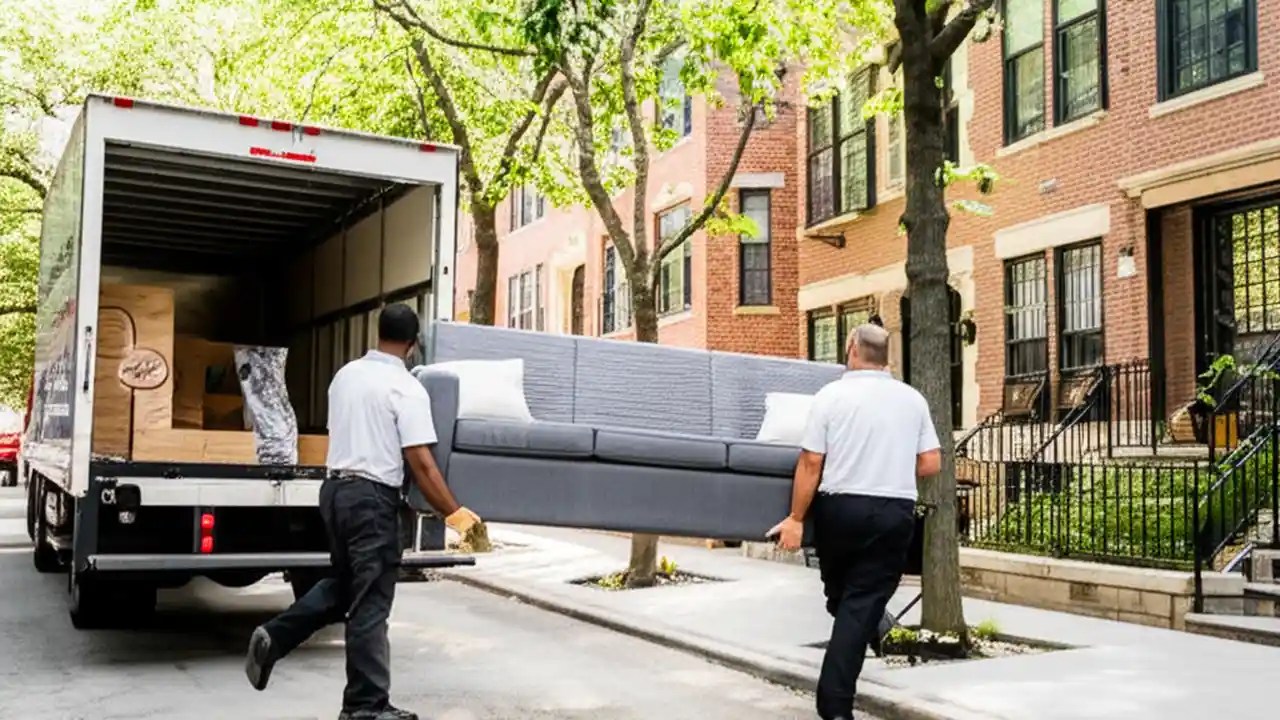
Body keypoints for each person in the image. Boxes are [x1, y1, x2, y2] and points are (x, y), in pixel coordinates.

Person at [244, 303, 484, 720]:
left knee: (346, 587)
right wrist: (458, 516)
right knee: (370, 603)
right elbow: (422, 463)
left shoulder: (345, 376)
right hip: (372, 501)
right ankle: (365, 707)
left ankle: (274, 637)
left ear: (378, 333)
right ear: (413, 344)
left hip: (335, 492)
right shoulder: (407, 388)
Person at [768, 323, 941, 720]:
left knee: (848, 599)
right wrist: (892, 462)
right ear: (887, 357)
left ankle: (835, 706)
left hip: (840, 509)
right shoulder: (912, 399)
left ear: (851, 349)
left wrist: (795, 519)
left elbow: (811, 461)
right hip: (893, 511)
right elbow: (931, 462)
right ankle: (874, 624)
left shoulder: (831, 396)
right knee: (851, 601)